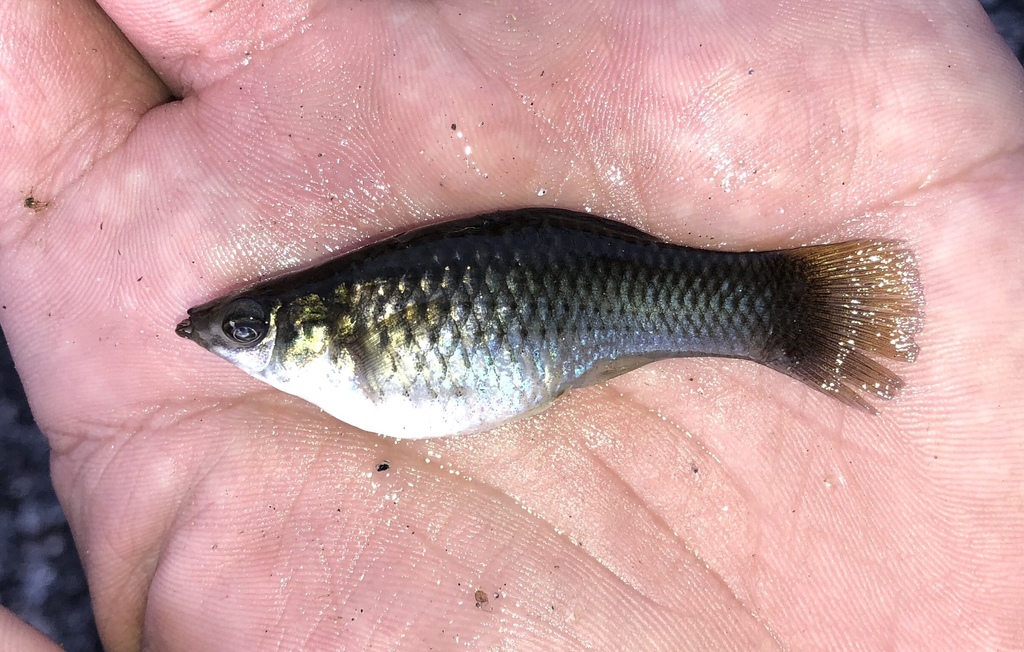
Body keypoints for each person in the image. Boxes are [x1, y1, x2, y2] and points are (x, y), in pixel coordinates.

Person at [1, 0, 1022, 649]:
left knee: (706, 293)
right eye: (239, 323)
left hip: (568, 287)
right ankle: (780, 307)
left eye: (249, 323)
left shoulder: (341, 334)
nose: (219, 332)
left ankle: (783, 305)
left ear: (316, 324)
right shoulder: (336, 337)